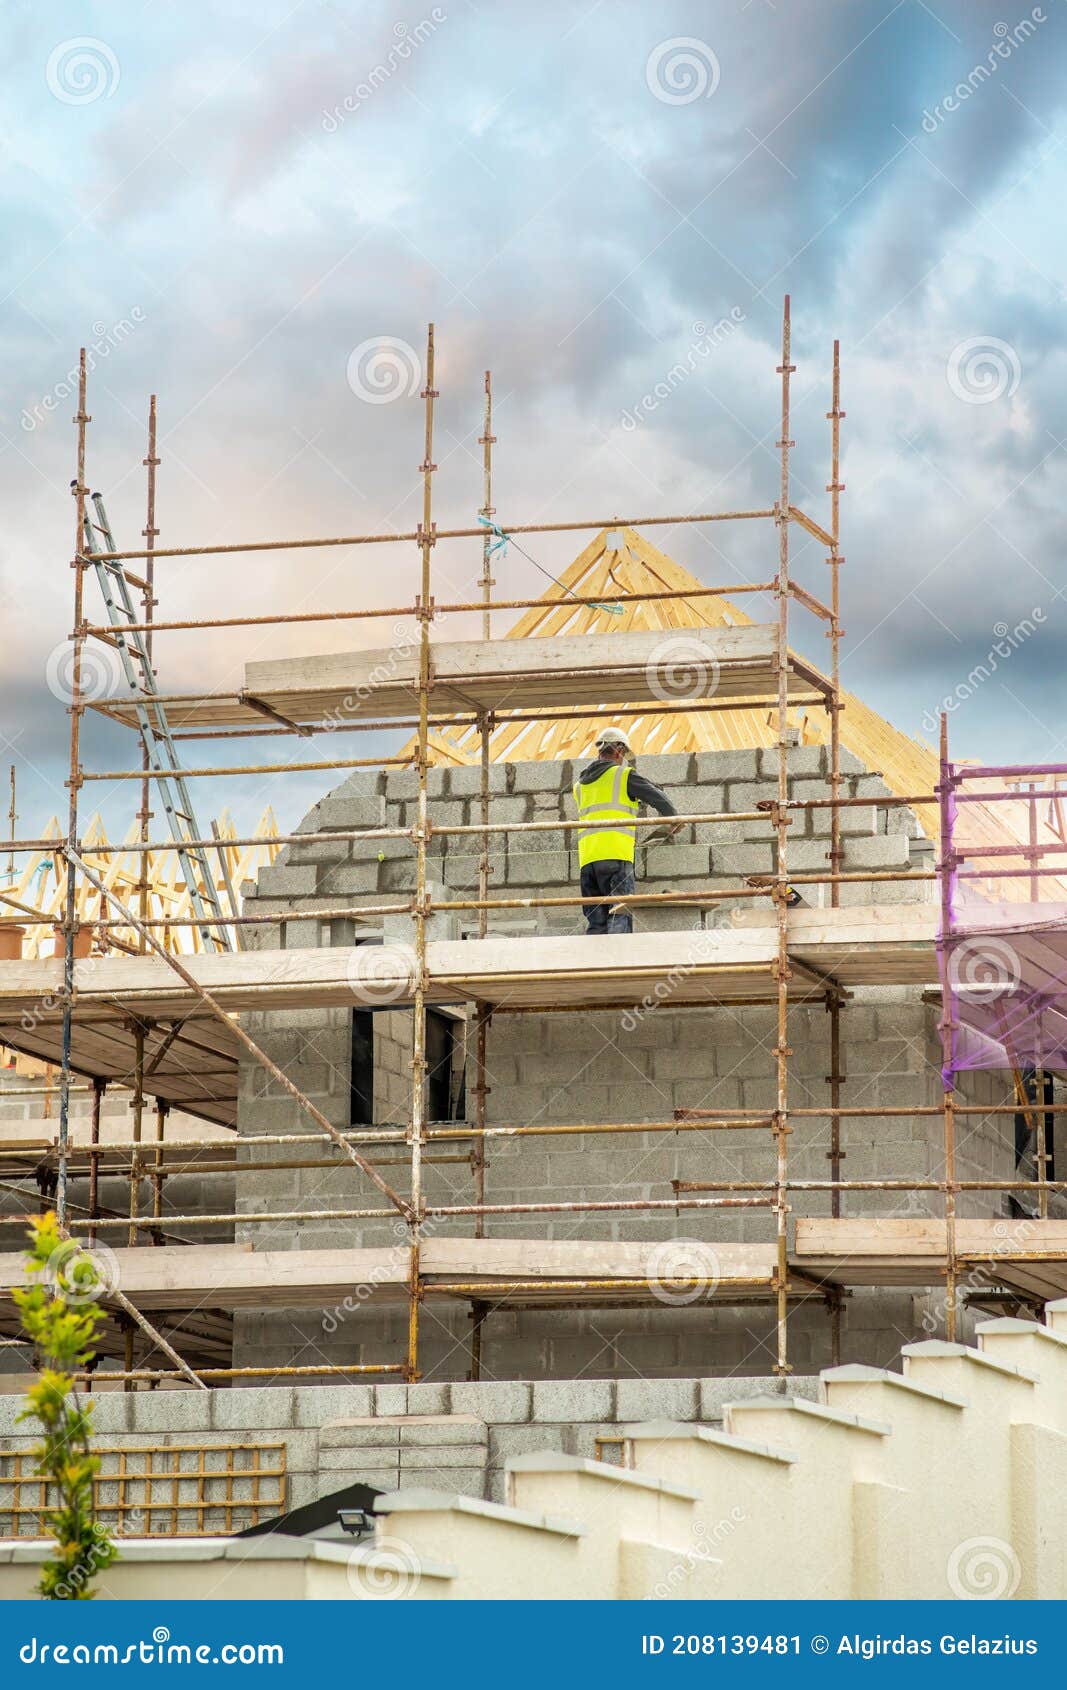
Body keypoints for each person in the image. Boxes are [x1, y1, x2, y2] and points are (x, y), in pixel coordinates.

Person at [571, 726, 681, 935]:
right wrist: (673, 819)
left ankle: (597, 966)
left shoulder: (579, 785)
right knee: (619, 915)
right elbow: (658, 798)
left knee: (596, 922)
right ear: (619, 749)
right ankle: (618, 965)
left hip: (587, 862)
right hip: (616, 856)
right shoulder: (622, 776)